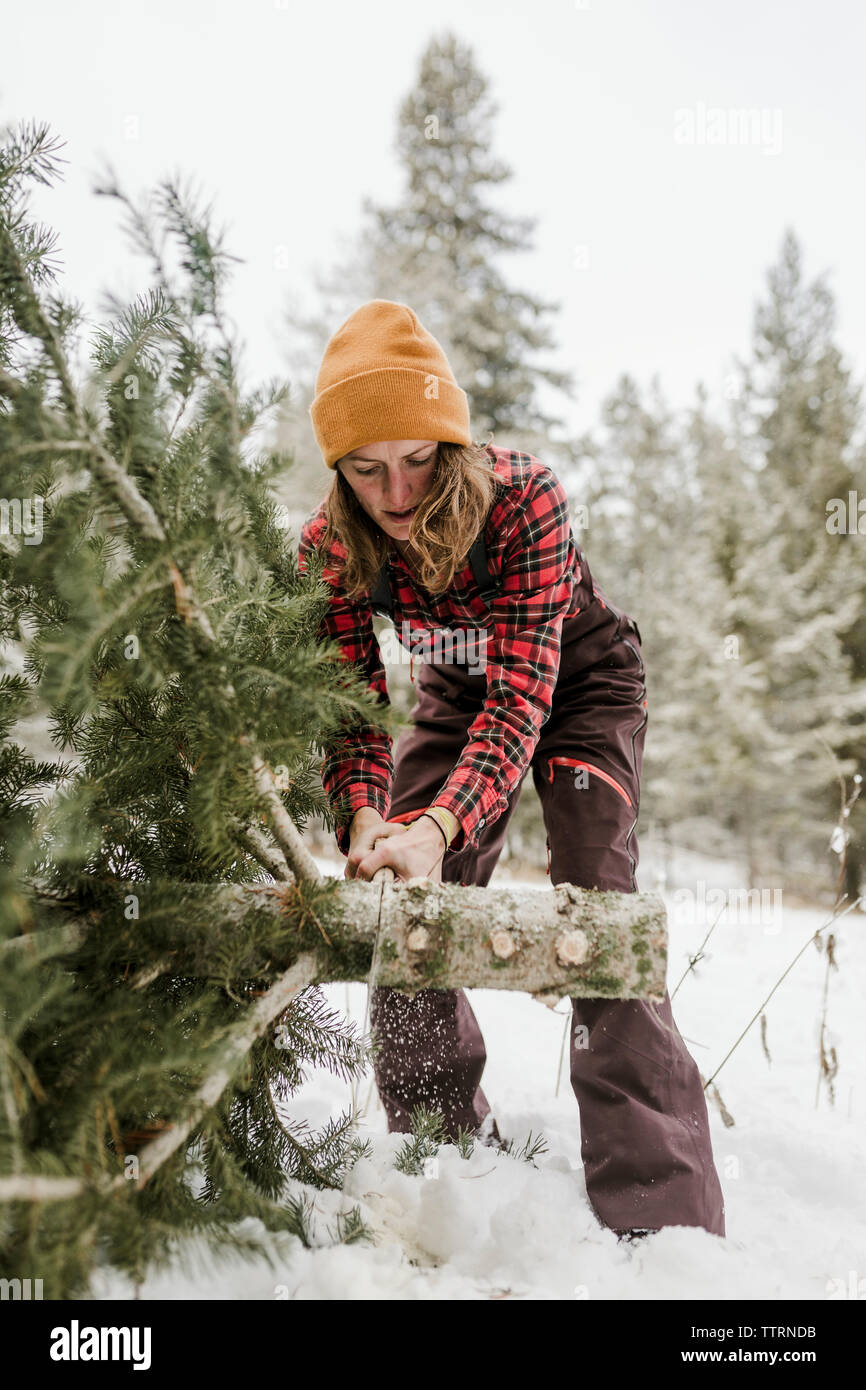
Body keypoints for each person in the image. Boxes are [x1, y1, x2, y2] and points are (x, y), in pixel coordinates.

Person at [298, 299, 726, 1240]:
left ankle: (660, 1208)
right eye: (367, 471)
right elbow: (353, 711)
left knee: (596, 903)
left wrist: (440, 823)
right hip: (455, 694)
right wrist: (370, 820)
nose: (397, 492)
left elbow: (523, 702)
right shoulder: (330, 547)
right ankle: (437, 1148)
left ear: (449, 445)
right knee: (408, 902)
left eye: (417, 460)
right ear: (340, 473)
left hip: (576, 685)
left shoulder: (525, 497)